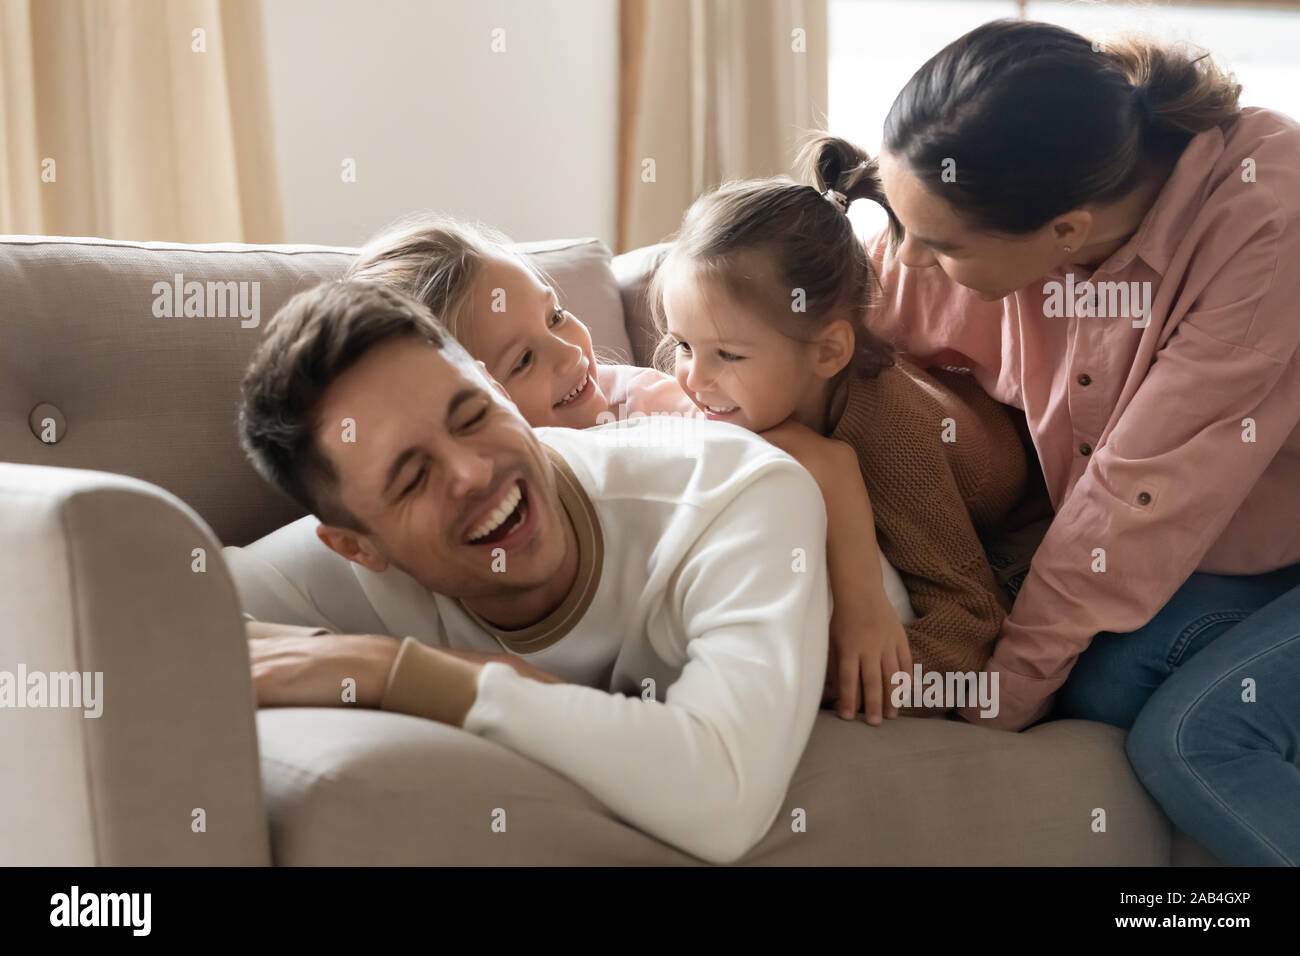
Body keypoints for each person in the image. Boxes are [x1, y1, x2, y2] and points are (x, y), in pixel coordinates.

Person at [828, 18, 1300, 864]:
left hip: (1258, 546)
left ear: (1068, 234)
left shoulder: (1269, 221)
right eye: (903, 225)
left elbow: (1137, 498)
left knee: (1168, 727)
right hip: (1227, 551)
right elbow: (837, 320)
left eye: (938, 244)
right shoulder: (1004, 214)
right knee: (1102, 677)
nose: (911, 260)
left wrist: (993, 701)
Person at [226, 278, 906, 864]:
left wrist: (387, 671)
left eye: (472, 416)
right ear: (356, 548)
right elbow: (149, 611)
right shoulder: (356, 567)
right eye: (412, 479)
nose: (471, 472)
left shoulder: (731, 493)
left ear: (495, 387)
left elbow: (725, 801)